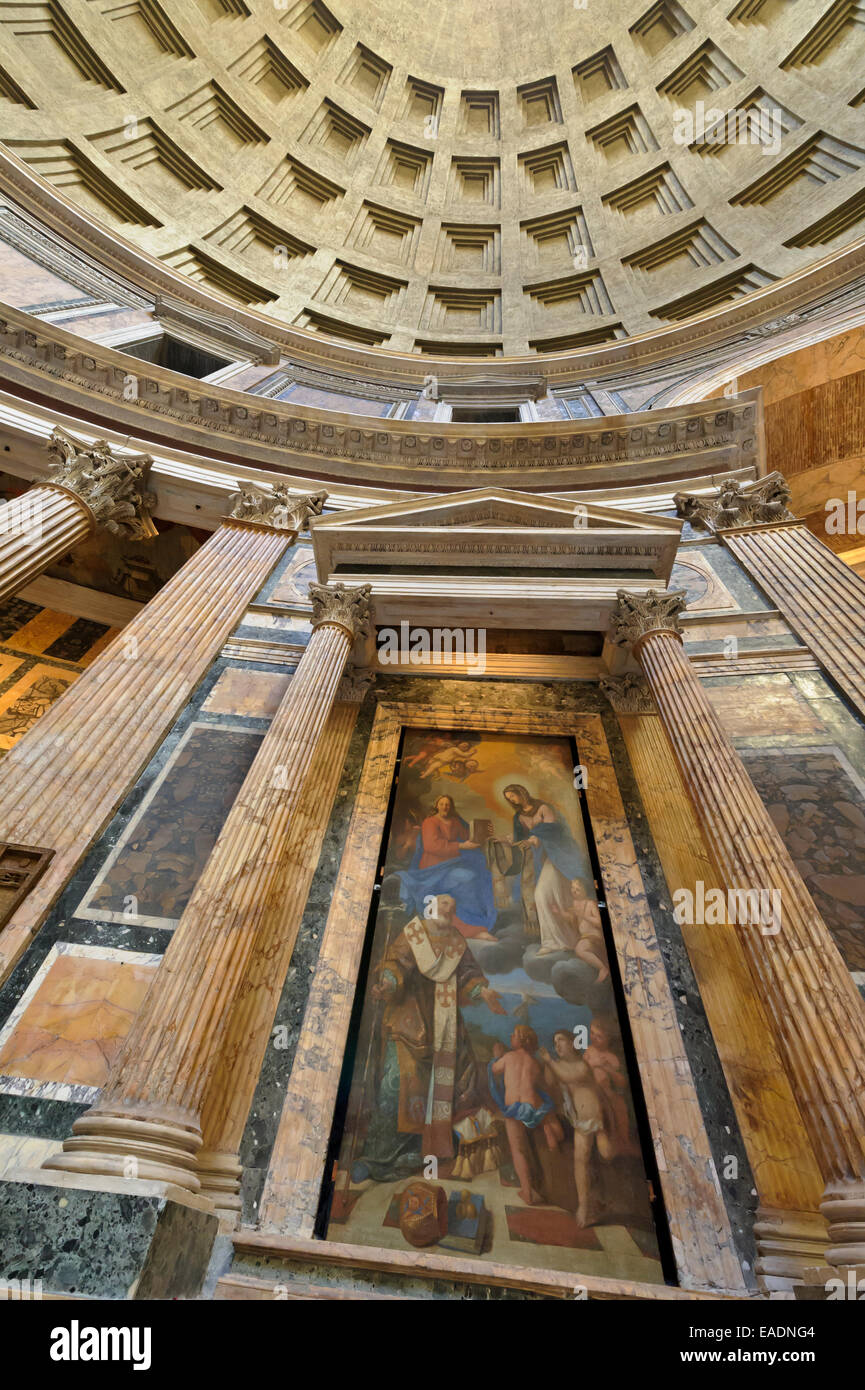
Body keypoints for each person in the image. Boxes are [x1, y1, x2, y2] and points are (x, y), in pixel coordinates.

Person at [350, 895, 505, 1183]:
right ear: (431, 906)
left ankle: (424, 1151)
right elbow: (395, 963)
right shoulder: (414, 933)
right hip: (409, 1023)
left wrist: (483, 992)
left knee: (444, 1090)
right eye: (445, 903)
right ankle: (376, 1158)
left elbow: (468, 975)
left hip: (444, 1028)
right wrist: (387, 981)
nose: (451, 907)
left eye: (453, 904)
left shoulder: (457, 941)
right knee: (394, 1089)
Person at [502, 784, 593, 956]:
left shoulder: (543, 808)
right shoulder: (518, 817)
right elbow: (521, 839)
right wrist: (507, 840)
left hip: (559, 855)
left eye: (512, 795)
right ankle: (561, 941)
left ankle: (558, 941)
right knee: (552, 895)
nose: (512, 800)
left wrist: (535, 837)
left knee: (547, 894)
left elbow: (555, 830)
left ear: (521, 792)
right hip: (541, 860)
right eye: (508, 799)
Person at [395, 794, 497, 940]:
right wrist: (462, 846)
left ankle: (474, 925)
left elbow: (468, 836)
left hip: (452, 863)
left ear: (451, 807)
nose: (445, 807)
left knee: (475, 877)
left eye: (447, 804)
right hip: (434, 867)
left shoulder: (455, 821)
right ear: (437, 805)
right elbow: (432, 846)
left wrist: (485, 833)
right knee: (465, 879)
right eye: (442, 804)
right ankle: (469, 929)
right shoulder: (429, 822)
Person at [540, 1030, 611, 1226]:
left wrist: (551, 1062)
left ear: (572, 1043)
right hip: (580, 1122)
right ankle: (583, 1207)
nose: (558, 1046)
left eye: (561, 1040)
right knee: (580, 1160)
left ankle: (597, 1202)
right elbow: (550, 1081)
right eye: (555, 1043)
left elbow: (569, 1076)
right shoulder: (560, 1065)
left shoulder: (581, 1065)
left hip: (595, 1118)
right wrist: (548, 1064)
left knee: (607, 1153)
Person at [488, 1025, 563, 1206]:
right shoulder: (534, 1063)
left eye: (513, 1034)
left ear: (519, 1040)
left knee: (518, 1150)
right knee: (546, 1113)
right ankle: (547, 1126)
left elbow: (494, 1070)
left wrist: (496, 1056)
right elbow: (538, 1084)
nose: (510, 1036)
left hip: (513, 1108)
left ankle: (527, 1192)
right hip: (532, 1104)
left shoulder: (508, 1057)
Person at [584, 1018, 640, 1157]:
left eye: (599, 1036)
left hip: (608, 1092)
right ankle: (610, 1145)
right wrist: (594, 1063)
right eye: (592, 1033)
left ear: (608, 1038)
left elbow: (621, 1082)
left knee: (620, 1106)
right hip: (591, 1092)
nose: (594, 1038)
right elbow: (582, 1072)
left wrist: (606, 1067)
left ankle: (623, 1142)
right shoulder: (589, 1052)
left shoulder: (612, 1057)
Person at [551, 879, 609, 983]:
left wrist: (583, 915)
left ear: (585, 891)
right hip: (584, 937)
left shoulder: (590, 903)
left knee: (580, 949)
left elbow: (599, 922)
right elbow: (570, 918)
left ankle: (603, 968)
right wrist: (559, 913)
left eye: (577, 889)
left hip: (594, 937)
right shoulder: (575, 904)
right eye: (572, 888)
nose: (574, 891)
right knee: (577, 949)